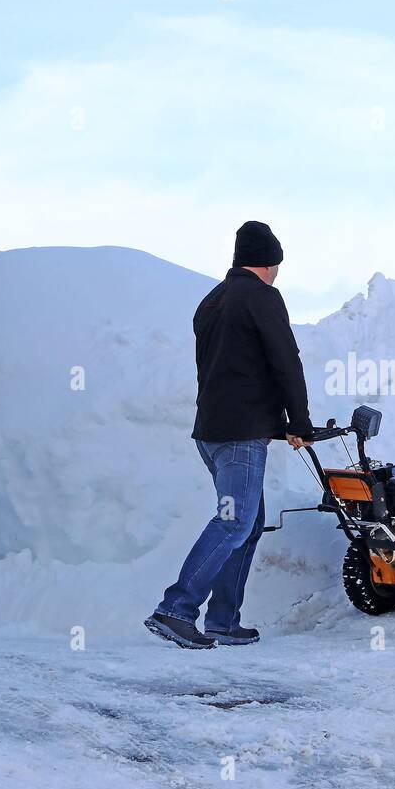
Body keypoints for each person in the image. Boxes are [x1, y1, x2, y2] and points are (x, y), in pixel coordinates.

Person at [144, 221, 312, 650]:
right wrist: (299, 423)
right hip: (240, 435)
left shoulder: (212, 301)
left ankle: (222, 619)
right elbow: (285, 362)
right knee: (235, 521)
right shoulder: (262, 297)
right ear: (271, 261)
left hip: (212, 434)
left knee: (248, 523)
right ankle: (176, 610)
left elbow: (231, 368)